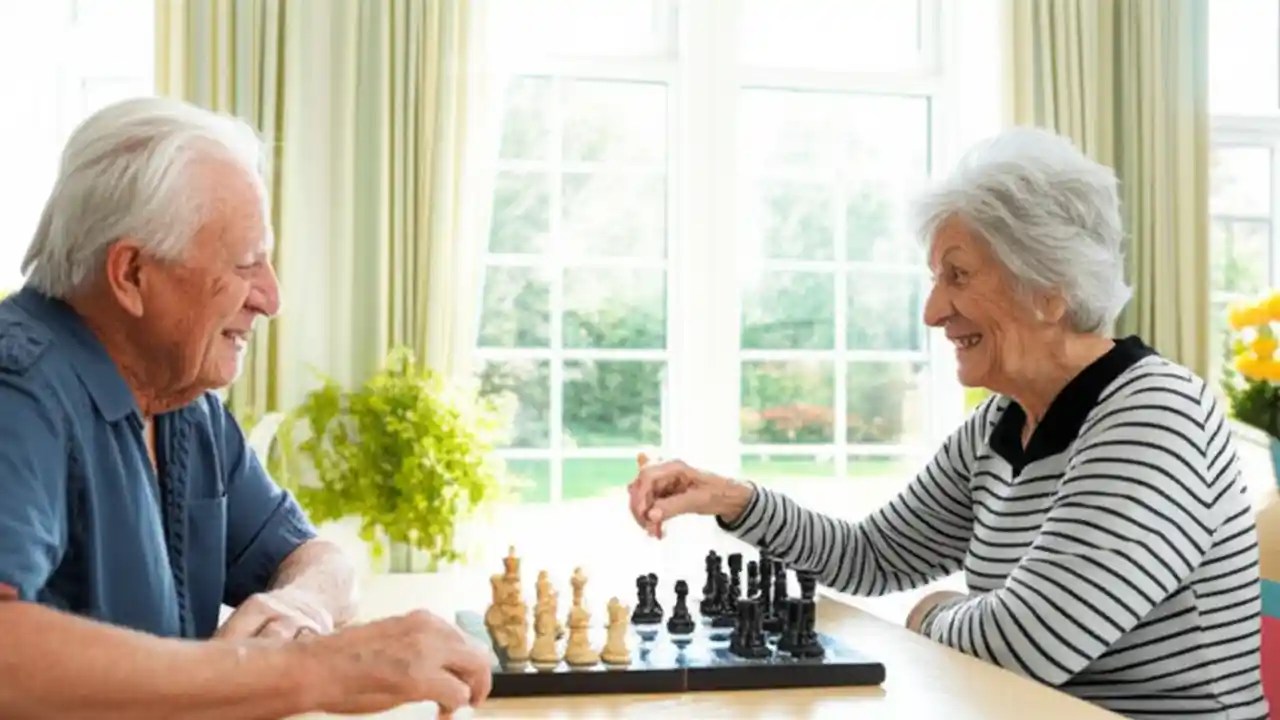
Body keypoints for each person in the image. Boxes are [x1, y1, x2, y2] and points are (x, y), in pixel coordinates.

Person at [627, 128, 1268, 719]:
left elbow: (1028, 645)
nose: (933, 311)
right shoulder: (1002, 421)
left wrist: (932, 611)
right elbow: (874, 557)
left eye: (957, 276)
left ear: (1051, 287)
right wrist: (734, 501)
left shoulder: (1155, 416)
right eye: (936, 278)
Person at [0, 97, 491, 718]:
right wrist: (307, 670)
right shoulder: (17, 390)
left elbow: (315, 558)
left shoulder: (181, 399)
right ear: (130, 274)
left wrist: (301, 608)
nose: (271, 297)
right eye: (245, 264)